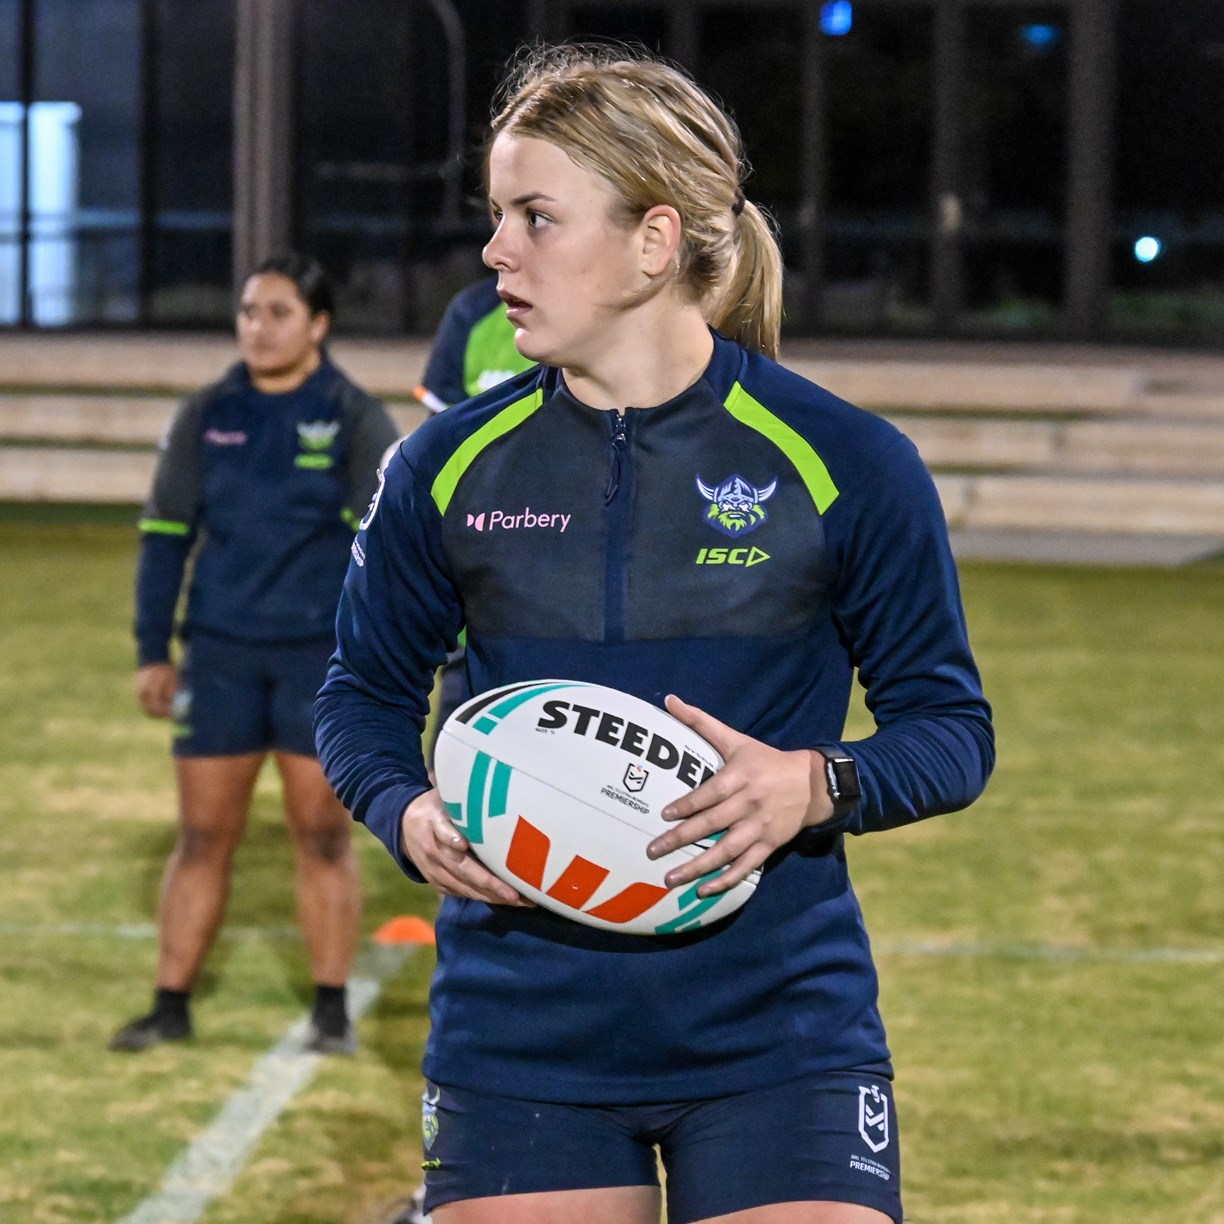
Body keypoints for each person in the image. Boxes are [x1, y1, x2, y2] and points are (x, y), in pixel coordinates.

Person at [315, 43, 994, 1224]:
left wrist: (815, 783)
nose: (495, 253)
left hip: (780, 1025)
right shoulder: (445, 465)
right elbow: (360, 699)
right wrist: (409, 811)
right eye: (495, 216)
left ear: (654, 242)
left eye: (535, 217)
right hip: (522, 1029)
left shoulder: (844, 463)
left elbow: (951, 728)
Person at [111, 253, 399, 1055]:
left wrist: (378, 655)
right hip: (221, 656)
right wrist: (152, 646)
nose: (257, 328)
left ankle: (331, 1012)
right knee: (202, 836)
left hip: (318, 661)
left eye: (277, 312)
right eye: (247, 312)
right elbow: (166, 536)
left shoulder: (352, 415)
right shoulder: (207, 413)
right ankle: (170, 1006)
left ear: (318, 324)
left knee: (322, 836)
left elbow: (391, 544)